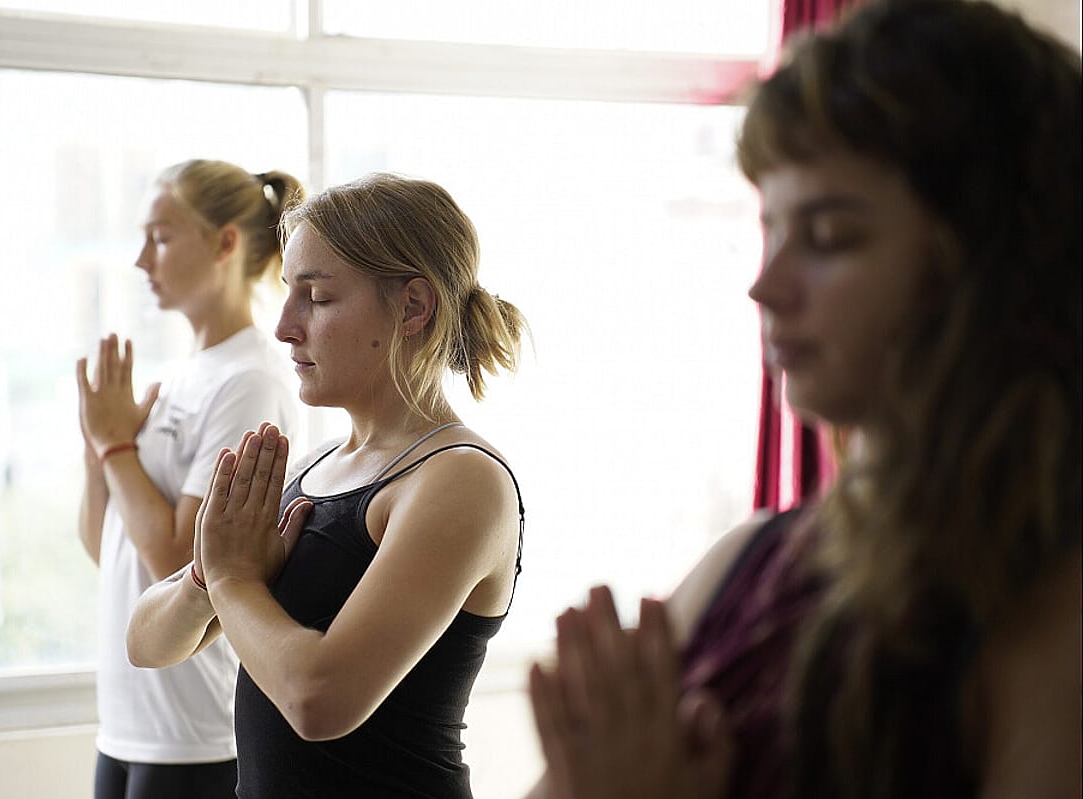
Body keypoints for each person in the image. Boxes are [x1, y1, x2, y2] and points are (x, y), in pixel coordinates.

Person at [525, 1, 1082, 797]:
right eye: (773, 228)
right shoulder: (746, 564)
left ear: (988, 264)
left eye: (828, 237)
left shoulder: (1050, 615)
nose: (765, 285)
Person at [126, 172, 529, 798]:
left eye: (316, 297)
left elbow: (320, 700)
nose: (285, 326)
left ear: (413, 307)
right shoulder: (312, 470)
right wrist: (213, 578)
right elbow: (147, 641)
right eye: (289, 293)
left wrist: (233, 580)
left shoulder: (461, 480)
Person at [76, 159, 304, 799]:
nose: (142, 259)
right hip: (125, 724)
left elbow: (182, 563)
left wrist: (117, 445)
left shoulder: (248, 381)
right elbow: (104, 545)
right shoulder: (180, 377)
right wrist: (97, 445)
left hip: (191, 736)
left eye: (162, 236)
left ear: (225, 243)